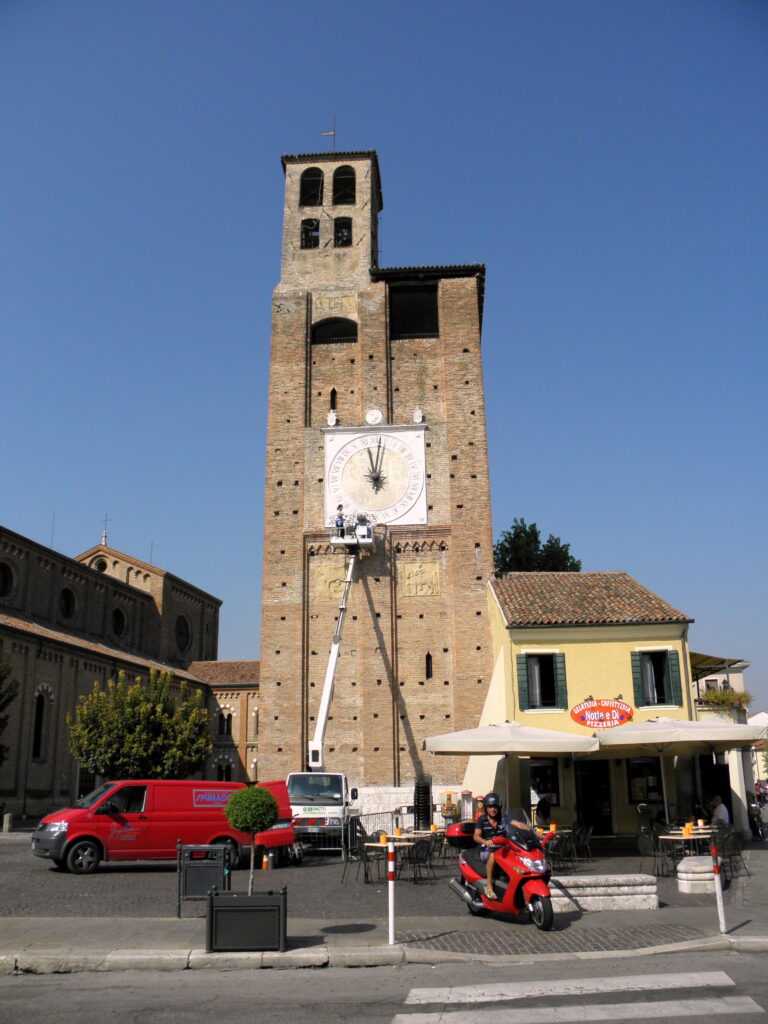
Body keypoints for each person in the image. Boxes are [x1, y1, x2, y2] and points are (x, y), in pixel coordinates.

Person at [473, 792, 530, 900]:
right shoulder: (482, 820)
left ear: (499, 807)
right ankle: (489, 886)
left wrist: (533, 832)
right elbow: (476, 836)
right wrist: (485, 841)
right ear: (486, 808)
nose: (493, 810)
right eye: (490, 807)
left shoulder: (503, 817)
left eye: (495, 807)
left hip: (504, 848)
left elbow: (518, 824)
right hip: (487, 849)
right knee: (493, 855)